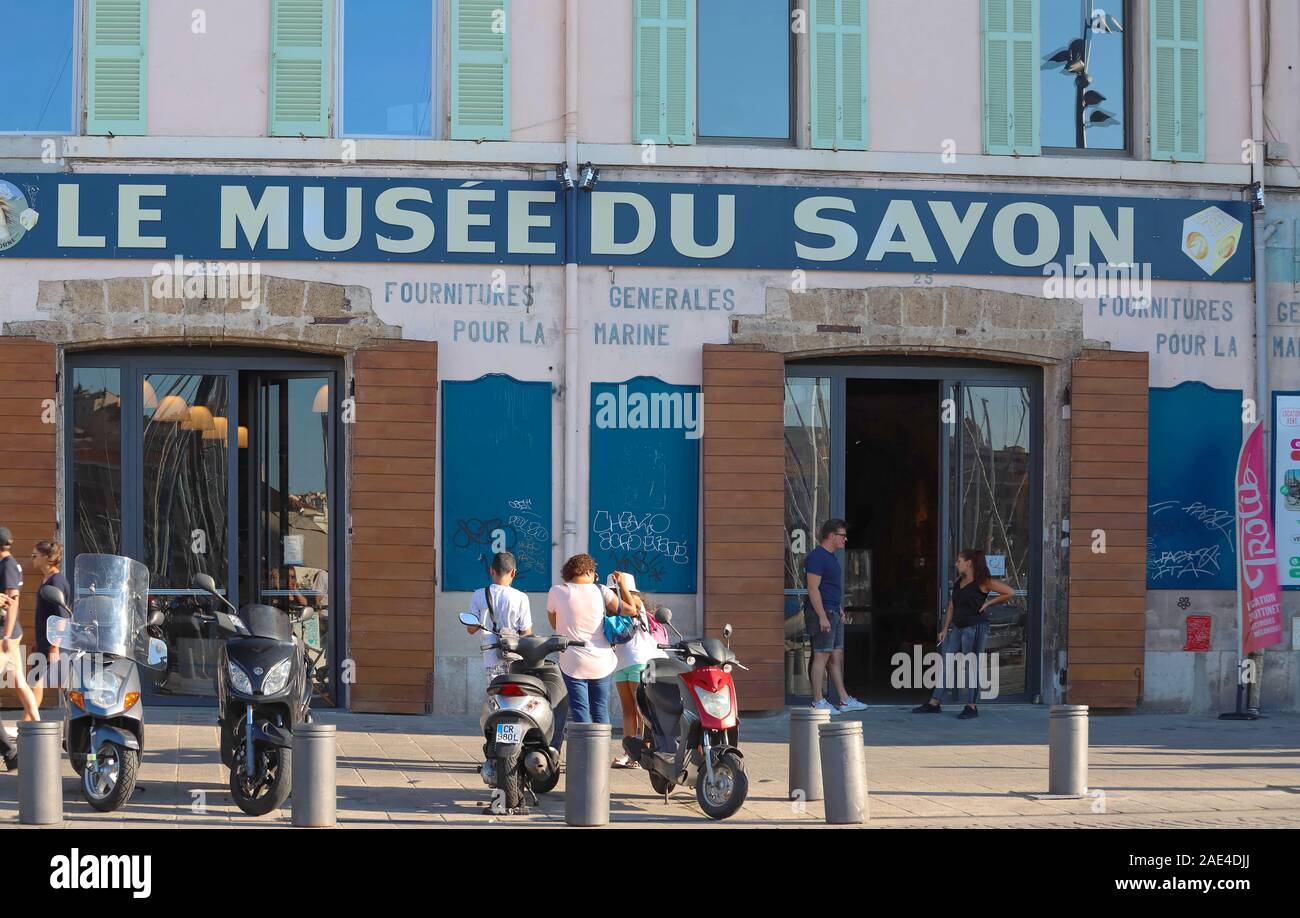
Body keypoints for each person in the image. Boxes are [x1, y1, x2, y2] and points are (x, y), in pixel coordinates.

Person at [912, 548, 1015, 718]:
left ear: (969, 563)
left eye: (959, 561)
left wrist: (988, 603)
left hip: (974, 628)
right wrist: (945, 629)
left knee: (971, 665)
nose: (956, 564)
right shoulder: (959, 581)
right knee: (947, 663)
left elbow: (1009, 592)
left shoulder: (983, 581)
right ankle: (934, 702)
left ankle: (972, 706)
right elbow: (952, 606)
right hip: (958, 628)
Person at [547, 554, 637, 745]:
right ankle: (600, 754)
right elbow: (631, 610)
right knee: (600, 708)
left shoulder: (556, 591)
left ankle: (584, 755)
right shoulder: (601, 591)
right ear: (588, 572)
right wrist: (621, 585)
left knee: (580, 710)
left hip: (572, 661)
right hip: (601, 660)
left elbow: (555, 623)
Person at [804, 519, 867, 714]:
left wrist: (838, 607)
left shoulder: (831, 557)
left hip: (833, 611)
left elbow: (829, 587)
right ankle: (817, 701)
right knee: (821, 655)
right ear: (831, 536)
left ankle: (844, 700)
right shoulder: (817, 557)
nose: (845, 539)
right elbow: (813, 589)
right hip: (822, 613)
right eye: (842, 535)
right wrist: (822, 616)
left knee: (835, 656)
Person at [607, 572, 666, 768]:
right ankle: (630, 752)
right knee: (628, 711)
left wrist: (621, 585)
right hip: (621, 663)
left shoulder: (636, 602)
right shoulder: (611, 606)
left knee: (642, 711)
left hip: (640, 661)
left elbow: (632, 606)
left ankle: (645, 752)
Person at [464, 551, 533, 680]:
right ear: (513, 572)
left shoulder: (478, 595)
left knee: (495, 697)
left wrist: (482, 621)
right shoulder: (522, 598)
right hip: (516, 659)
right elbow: (526, 634)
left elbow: (471, 629)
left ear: (491, 570)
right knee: (517, 698)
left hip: (491, 659)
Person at [0, 527, 40, 747]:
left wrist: (6, 635)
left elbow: (13, 603)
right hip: (8, 633)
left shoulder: (7, 566)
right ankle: (37, 724)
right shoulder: (8, 564)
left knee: (19, 682)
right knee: (18, 682)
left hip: (4, 635)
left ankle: (8, 745)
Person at [30, 540, 70, 709]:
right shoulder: (47, 579)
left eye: (35, 555)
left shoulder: (56, 581)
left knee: (35, 680)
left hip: (53, 642)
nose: (31, 558)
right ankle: (32, 720)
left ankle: (31, 721)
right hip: (44, 640)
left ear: (46, 557)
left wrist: (55, 646)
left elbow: (61, 617)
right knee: (59, 682)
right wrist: (37, 641)